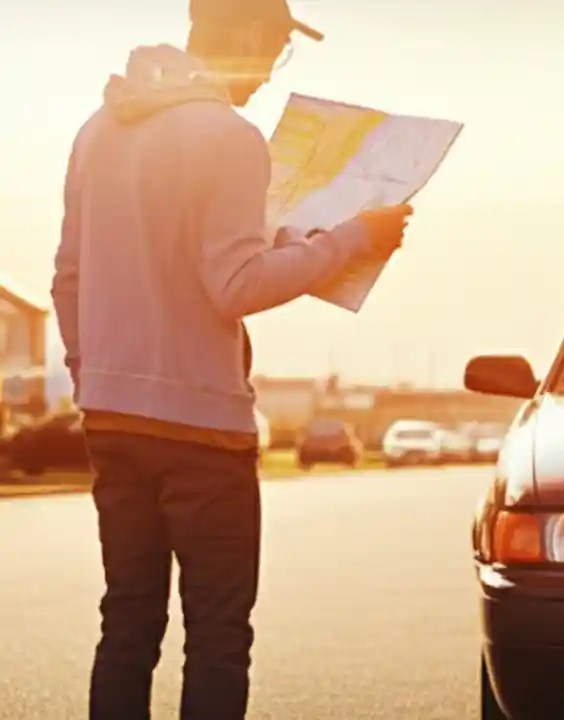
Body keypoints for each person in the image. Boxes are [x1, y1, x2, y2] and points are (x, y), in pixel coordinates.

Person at [50, 1, 414, 718]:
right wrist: (351, 241)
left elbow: (69, 277)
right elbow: (235, 286)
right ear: (248, 34)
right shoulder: (229, 137)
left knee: (127, 625)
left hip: (113, 422)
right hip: (202, 434)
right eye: (277, 48)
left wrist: (96, 377)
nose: (272, 71)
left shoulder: (98, 130)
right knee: (217, 637)